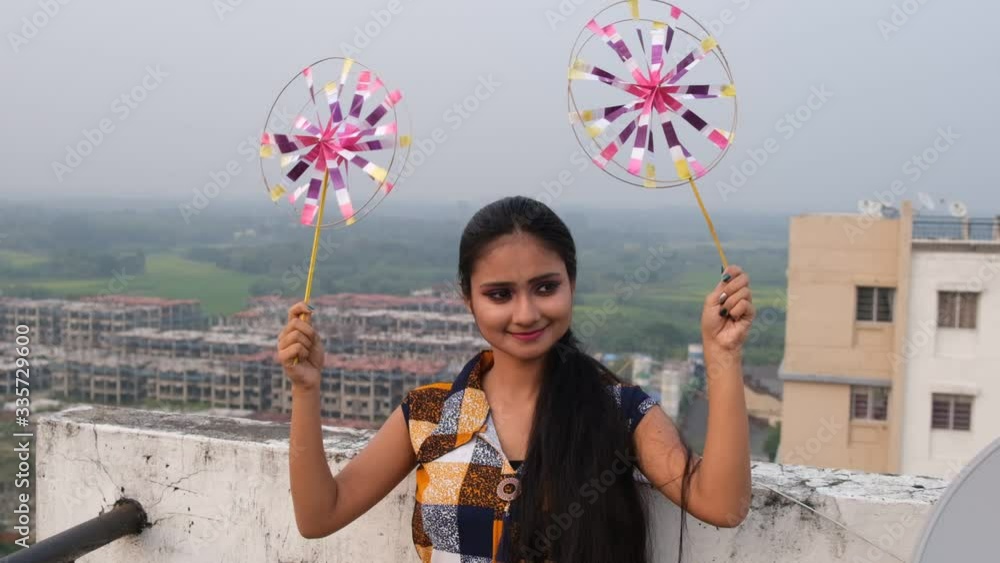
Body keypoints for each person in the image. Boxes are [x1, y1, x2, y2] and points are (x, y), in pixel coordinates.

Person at [277, 196, 753, 563]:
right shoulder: (429, 416)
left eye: (545, 287)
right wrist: (306, 390)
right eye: (500, 294)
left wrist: (723, 355)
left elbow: (722, 505)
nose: (525, 314)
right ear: (469, 300)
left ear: (572, 282)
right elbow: (320, 515)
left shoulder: (618, 411)